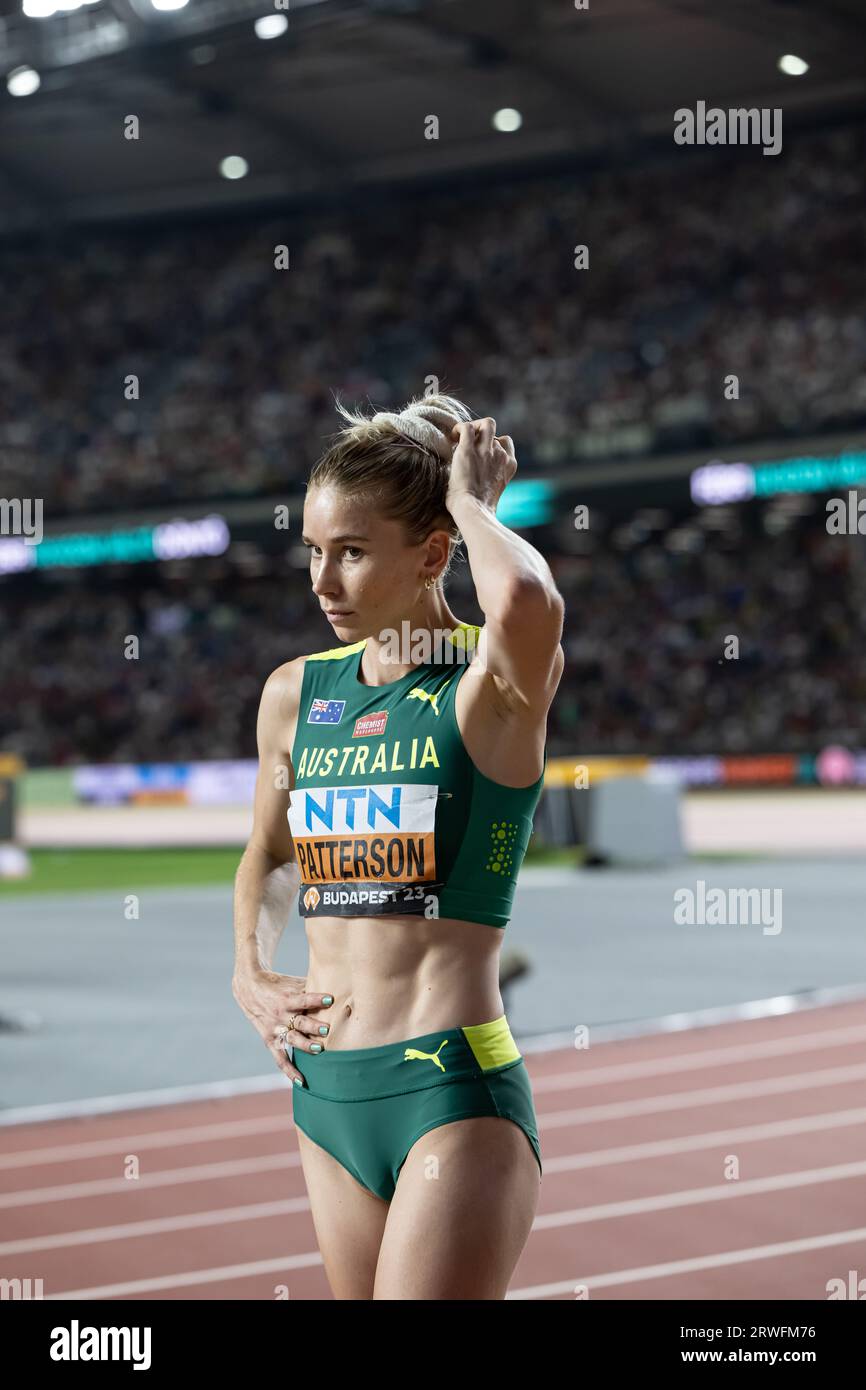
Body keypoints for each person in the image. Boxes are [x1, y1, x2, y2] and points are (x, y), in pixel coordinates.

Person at [232, 394, 564, 1299]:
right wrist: (250, 970)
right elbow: (270, 853)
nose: (322, 581)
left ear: (431, 553)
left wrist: (472, 503)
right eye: (312, 550)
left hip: (449, 1092)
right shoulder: (297, 694)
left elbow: (529, 597)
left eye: (351, 550)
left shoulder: (485, 682)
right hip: (326, 1097)